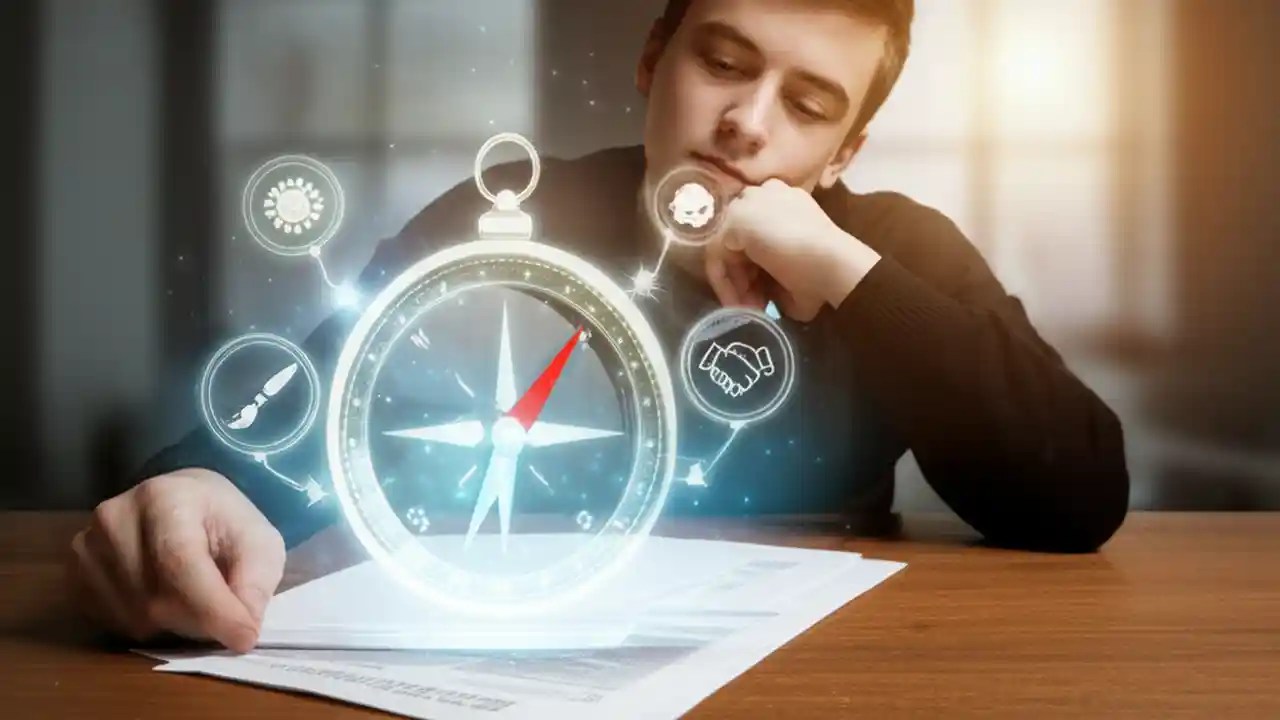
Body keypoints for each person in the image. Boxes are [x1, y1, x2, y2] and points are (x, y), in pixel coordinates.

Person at [65, 0, 1129, 654]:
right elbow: (300, 410)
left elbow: (1076, 492)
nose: (746, 125)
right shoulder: (501, 221)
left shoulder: (894, 250)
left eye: (807, 108)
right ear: (650, 62)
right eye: (722, 61)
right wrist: (205, 484)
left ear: (844, 155)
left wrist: (842, 269)